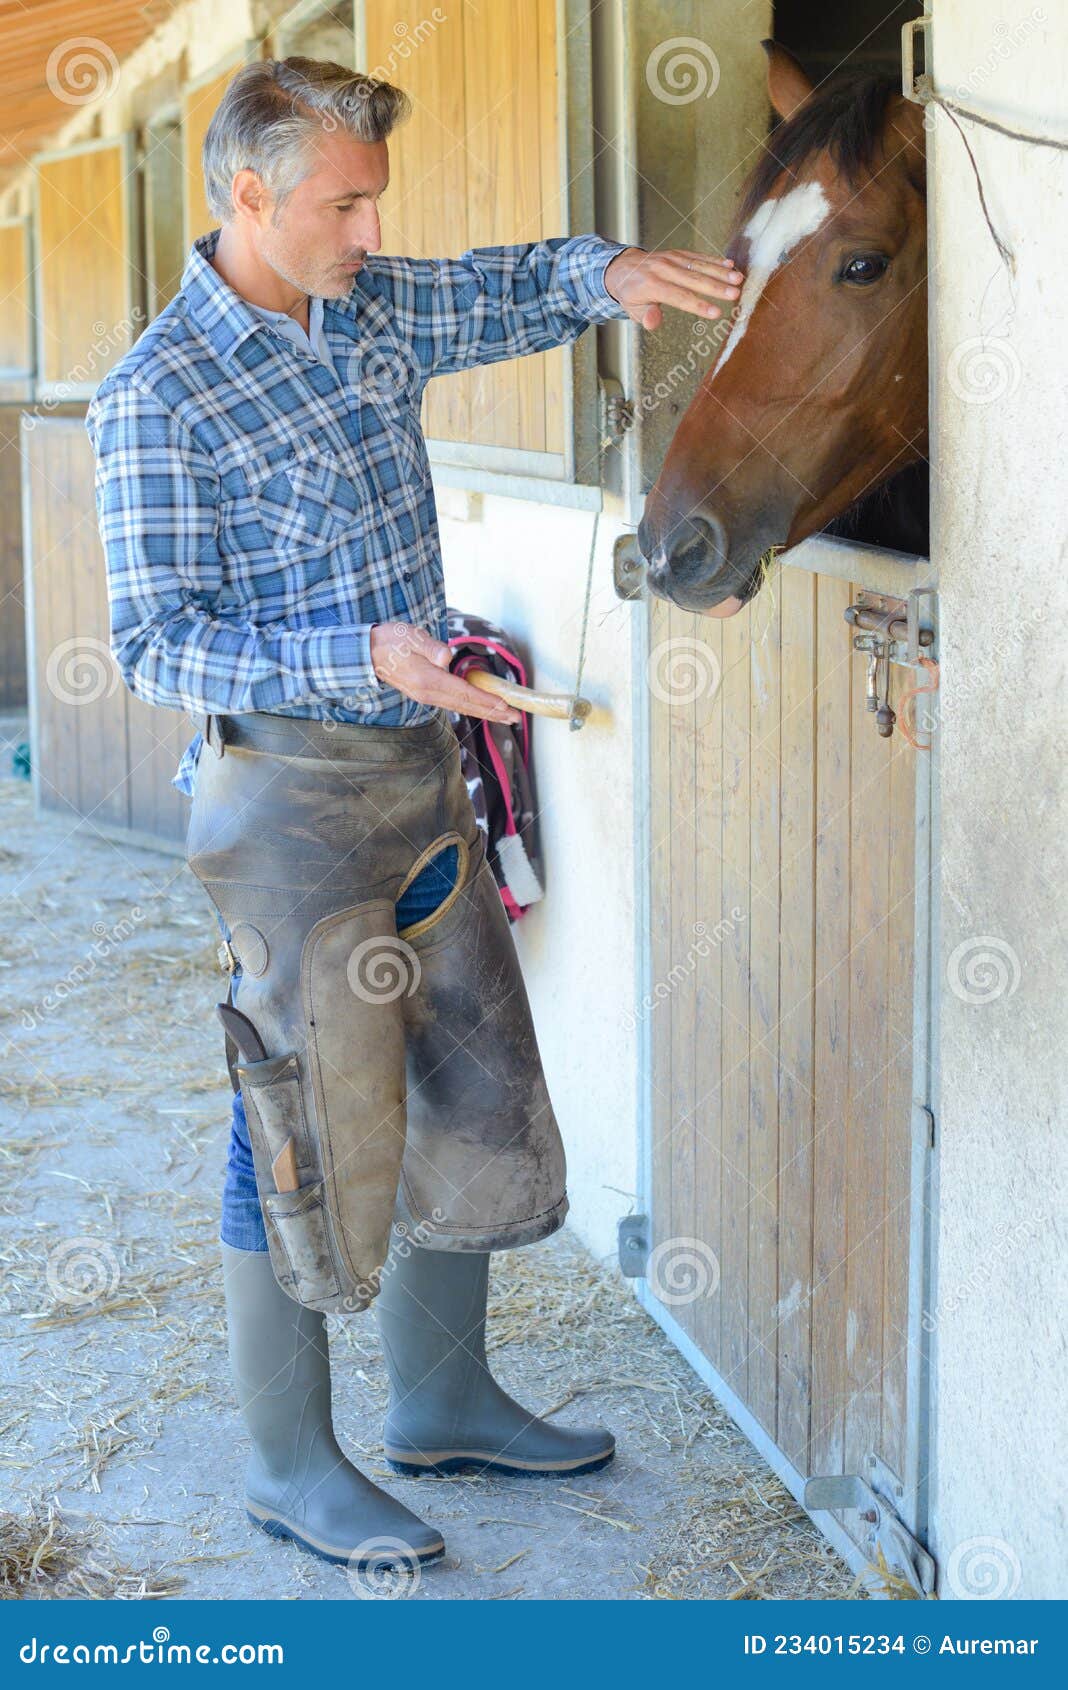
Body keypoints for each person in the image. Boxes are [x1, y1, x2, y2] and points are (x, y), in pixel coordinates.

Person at [85, 56, 744, 1575]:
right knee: (305, 1131)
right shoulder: (160, 394)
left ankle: (442, 1399)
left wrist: (609, 275)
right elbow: (156, 642)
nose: (373, 229)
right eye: (344, 202)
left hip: (418, 780)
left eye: (374, 197)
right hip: (283, 801)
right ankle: (287, 1463)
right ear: (248, 197)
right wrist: (363, 656)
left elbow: (497, 289)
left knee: (463, 1086)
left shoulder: (366, 308)